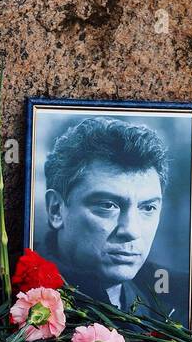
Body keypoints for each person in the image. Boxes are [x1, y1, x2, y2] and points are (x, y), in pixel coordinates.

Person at [38, 115, 168, 311]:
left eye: (148, 208)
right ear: (56, 209)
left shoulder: (175, 304)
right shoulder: (1, 293)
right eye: (108, 205)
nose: (131, 230)